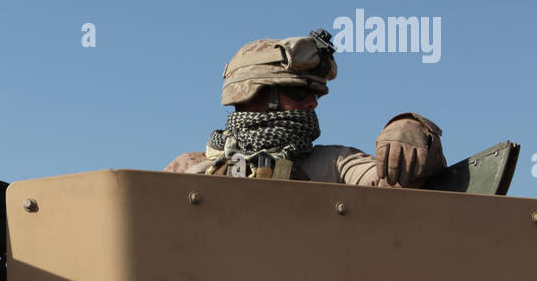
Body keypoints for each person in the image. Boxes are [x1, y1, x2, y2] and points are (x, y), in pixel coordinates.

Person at [164, 29, 445, 185]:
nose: (312, 103)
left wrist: (413, 129)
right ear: (254, 96)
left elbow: (394, 184)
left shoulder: (336, 164)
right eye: (299, 93)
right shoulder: (188, 168)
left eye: (316, 95)